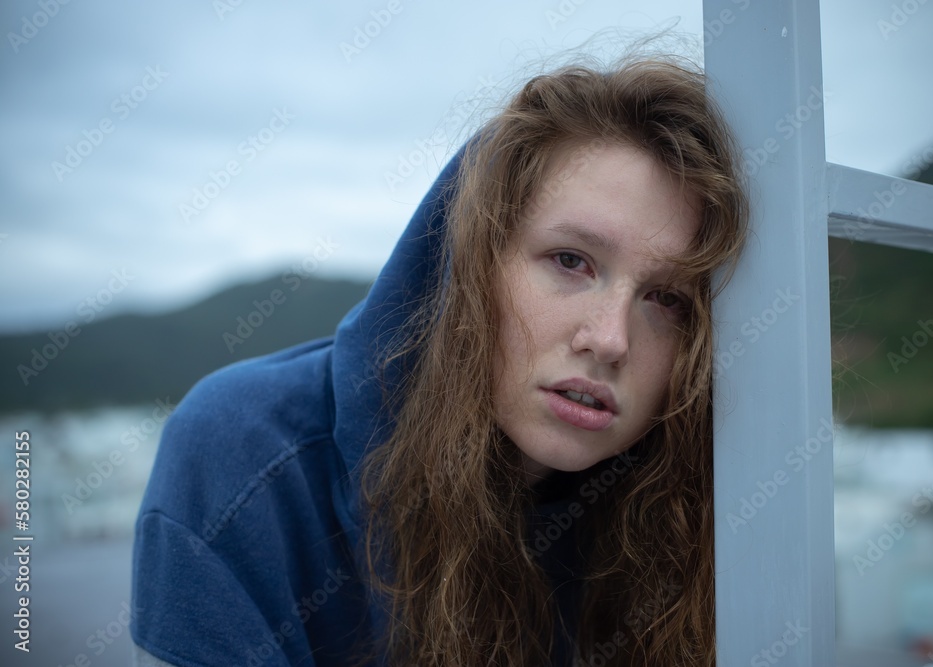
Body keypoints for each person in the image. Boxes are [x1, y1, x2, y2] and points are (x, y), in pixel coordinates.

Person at [131, 52, 748, 667]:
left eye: (667, 299)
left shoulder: (697, 504)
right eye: (570, 261)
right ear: (470, 260)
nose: (611, 340)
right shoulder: (242, 459)